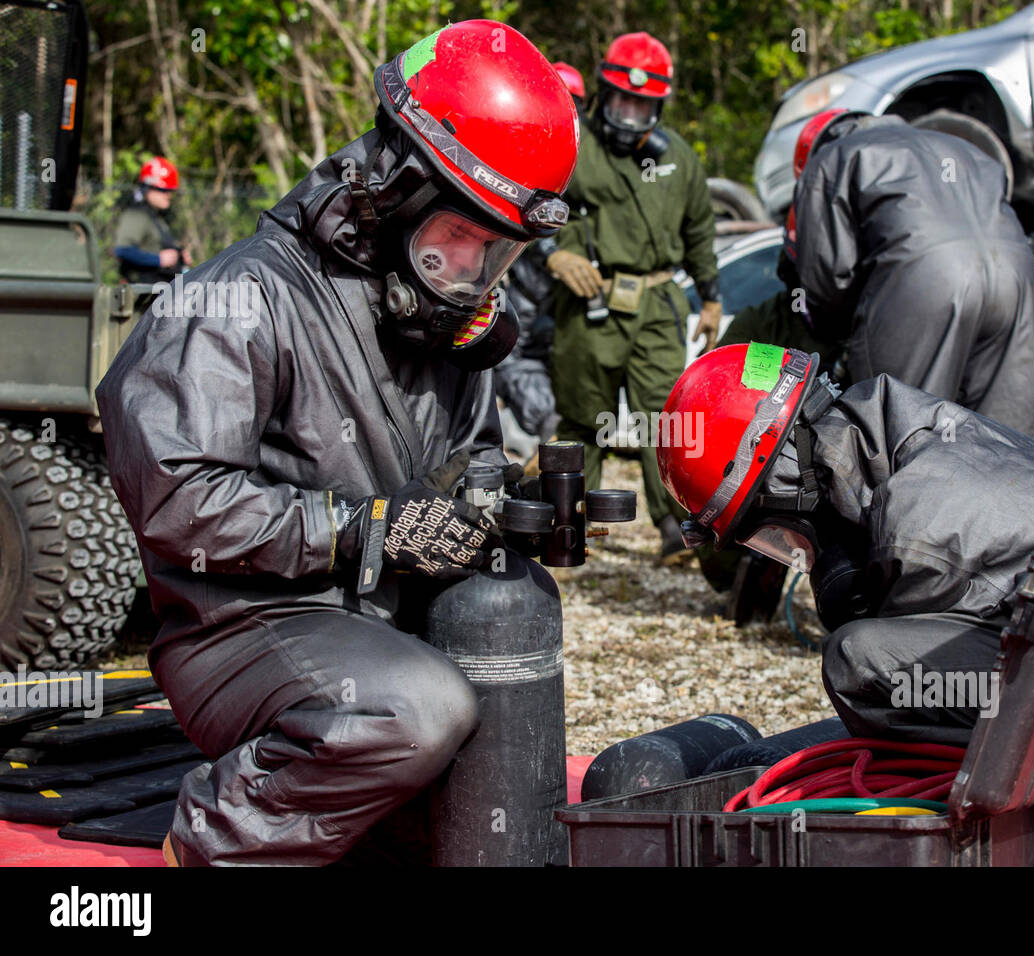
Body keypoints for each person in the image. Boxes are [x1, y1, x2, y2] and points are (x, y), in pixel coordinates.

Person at [94, 22, 580, 866]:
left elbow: (476, 456)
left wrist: (497, 511)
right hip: (242, 623)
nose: (473, 274)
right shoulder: (239, 298)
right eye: (463, 238)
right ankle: (215, 840)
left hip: (377, 612)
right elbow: (179, 505)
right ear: (397, 187)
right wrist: (363, 529)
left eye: (497, 253)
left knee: (512, 622)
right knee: (412, 710)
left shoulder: (438, 318)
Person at [657, 343, 1034, 795]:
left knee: (856, 660)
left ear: (781, 476)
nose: (788, 553)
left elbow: (922, 660)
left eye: (769, 534)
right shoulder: (907, 425)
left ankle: (960, 806)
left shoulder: (911, 536)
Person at [722, 109, 1034, 436]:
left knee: (899, 432)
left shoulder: (832, 158)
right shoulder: (958, 146)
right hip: (1014, 273)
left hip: (924, 278)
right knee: (1004, 437)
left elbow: (827, 280)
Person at [544, 32, 721, 563]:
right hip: (589, 302)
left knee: (664, 420)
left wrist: (712, 297)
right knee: (582, 418)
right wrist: (553, 253)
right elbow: (530, 205)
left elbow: (701, 231)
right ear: (603, 94)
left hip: (657, 307)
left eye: (642, 103)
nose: (629, 112)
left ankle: (675, 529)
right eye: (621, 99)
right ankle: (564, 530)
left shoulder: (680, 161)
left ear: (658, 105)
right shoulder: (572, 147)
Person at [493, 59, 589, 449]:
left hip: (581, 299)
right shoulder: (522, 152)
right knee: (510, 353)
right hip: (533, 289)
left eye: (571, 104)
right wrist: (549, 254)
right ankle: (550, 433)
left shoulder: (596, 165)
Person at [112, 156, 192, 284]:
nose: (168, 195)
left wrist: (180, 257)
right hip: (145, 289)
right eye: (162, 190)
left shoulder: (158, 217)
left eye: (170, 190)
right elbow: (122, 250)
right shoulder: (136, 215)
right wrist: (158, 259)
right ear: (147, 188)